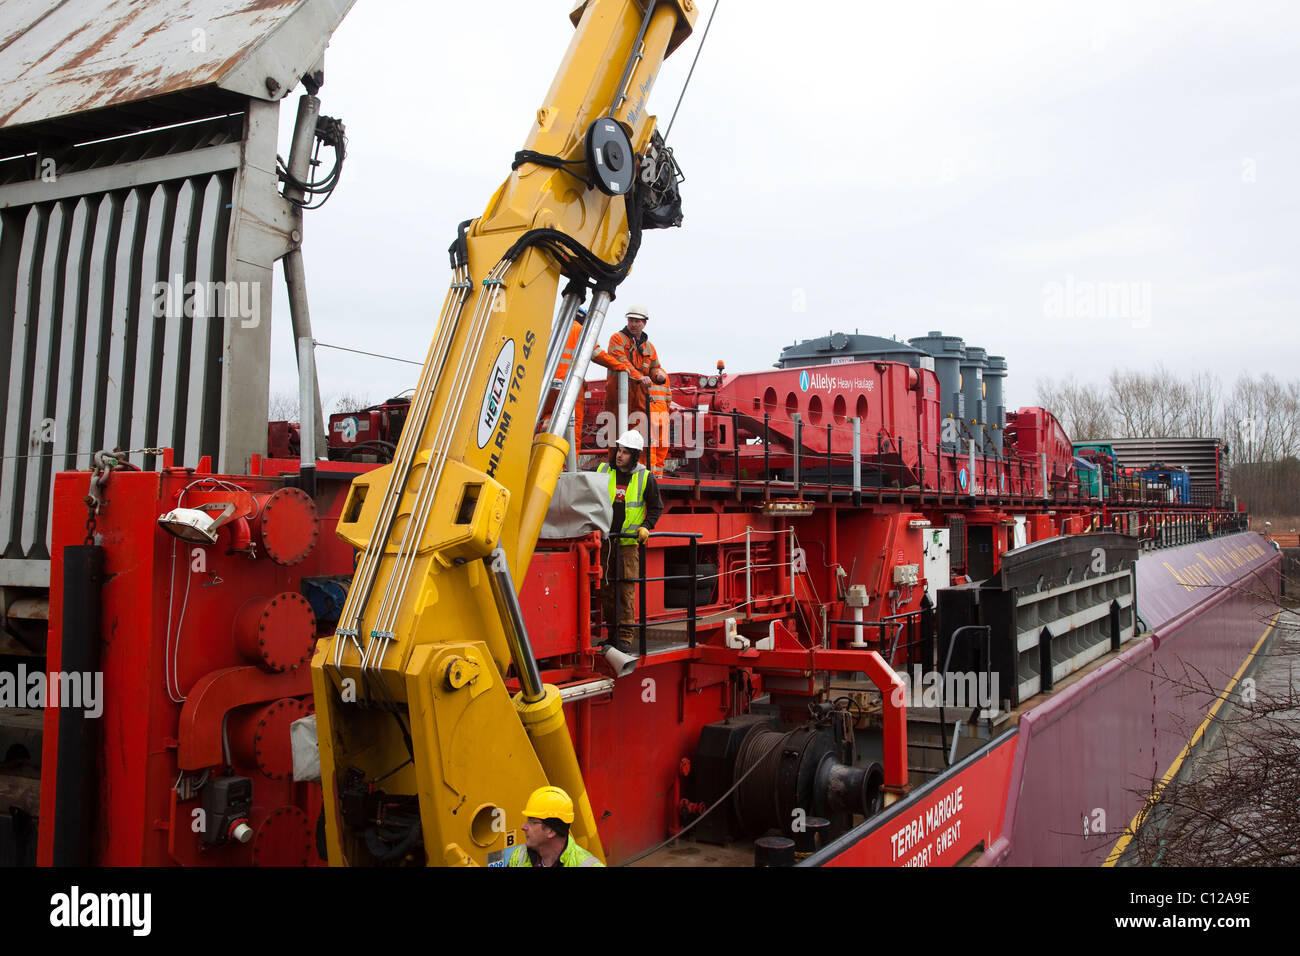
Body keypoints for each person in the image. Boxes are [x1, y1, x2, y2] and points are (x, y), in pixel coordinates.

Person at [597, 429, 662, 654]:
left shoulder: (645, 477)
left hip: (627, 544)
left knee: (625, 591)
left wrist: (646, 527)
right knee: (606, 589)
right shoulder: (603, 471)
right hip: (606, 542)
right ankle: (612, 636)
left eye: (625, 452)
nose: (619, 455)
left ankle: (624, 638)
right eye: (618, 450)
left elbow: (656, 507)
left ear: (634, 455)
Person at [601, 304, 668, 444]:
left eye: (637, 321)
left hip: (640, 399)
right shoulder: (617, 339)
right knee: (617, 438)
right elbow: (622, 362)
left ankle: (637, 466)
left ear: (644, 323)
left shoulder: (648, 346)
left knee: (637, 439)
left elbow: (655, 367)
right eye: (631, 320)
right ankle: (616, 465)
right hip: (619, 397)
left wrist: (659, 376)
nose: (633, 324)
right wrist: (639, 377)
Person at [506, 786, 603, 867]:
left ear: (551, 831)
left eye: (532, 822)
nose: (523, 827)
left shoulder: (586, 865)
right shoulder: (518, 857)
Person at [646, 376, 672, 477]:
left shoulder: (644, 373)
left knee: (651, 447)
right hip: (663, 415)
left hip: (651, 415)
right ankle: (658, 475)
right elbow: (669, 398)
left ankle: (651, 475)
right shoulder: (664, 374)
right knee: (662, 448)